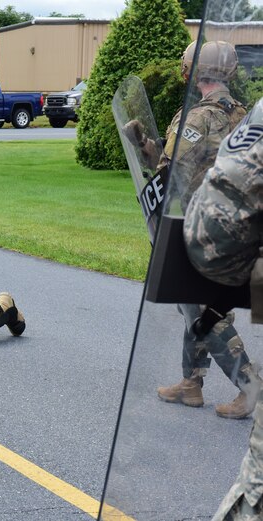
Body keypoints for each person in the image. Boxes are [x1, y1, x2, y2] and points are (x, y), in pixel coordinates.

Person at [154, 41, 261, 419]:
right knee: (192, 301)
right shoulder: (244, 115)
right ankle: (191, 383)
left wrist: (151, 153)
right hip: (241, 224)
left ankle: (253, 391)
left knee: (205, 310)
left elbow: (170, 174)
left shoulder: (197, 119)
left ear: (195, 71)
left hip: (207, 227)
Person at [183, 97, 263, 520]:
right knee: (199, 312)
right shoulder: (240, 108)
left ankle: (244, 385)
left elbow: (209, 246)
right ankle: (192, 381)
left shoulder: (210, 118)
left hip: (215, 234)